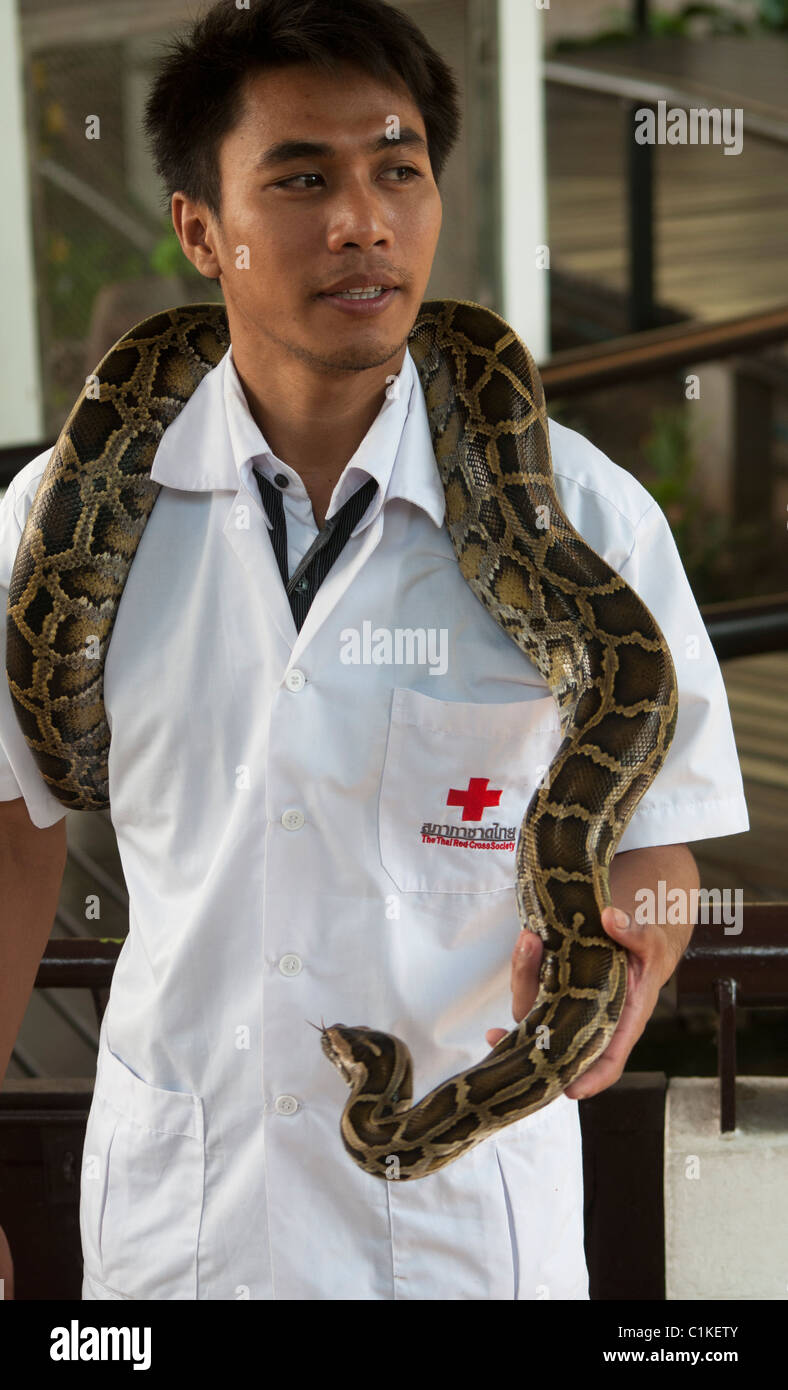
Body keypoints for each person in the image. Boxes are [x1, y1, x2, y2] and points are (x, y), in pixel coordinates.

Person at [0, 0, 749, 1301]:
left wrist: (643, 937)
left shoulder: (594, 516)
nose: (362, 220)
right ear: (199, 226)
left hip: (469, 1243)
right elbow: (14, 840)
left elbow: (665, 844)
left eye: (396, 169)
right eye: (302, 178)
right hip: (180, 1240)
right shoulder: (43, 521)